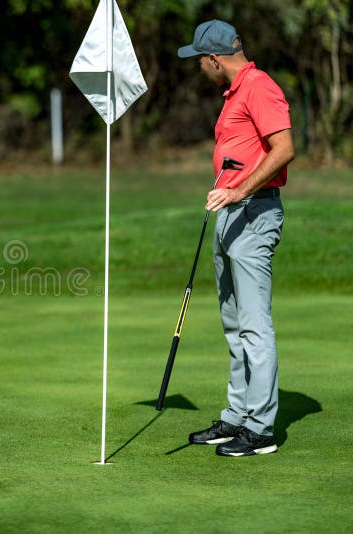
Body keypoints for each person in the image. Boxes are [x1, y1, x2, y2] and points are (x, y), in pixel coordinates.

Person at [177, 20, 295, 456]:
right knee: (233, 323)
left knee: (254, 323)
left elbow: (284, 149)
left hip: (254, 210)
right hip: (230, 214)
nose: (198, 69)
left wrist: (239, 189)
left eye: (198, 61)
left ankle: (261, 429)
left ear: (214, 59)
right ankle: (237, 416)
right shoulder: (235, 93)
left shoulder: (259, 87)